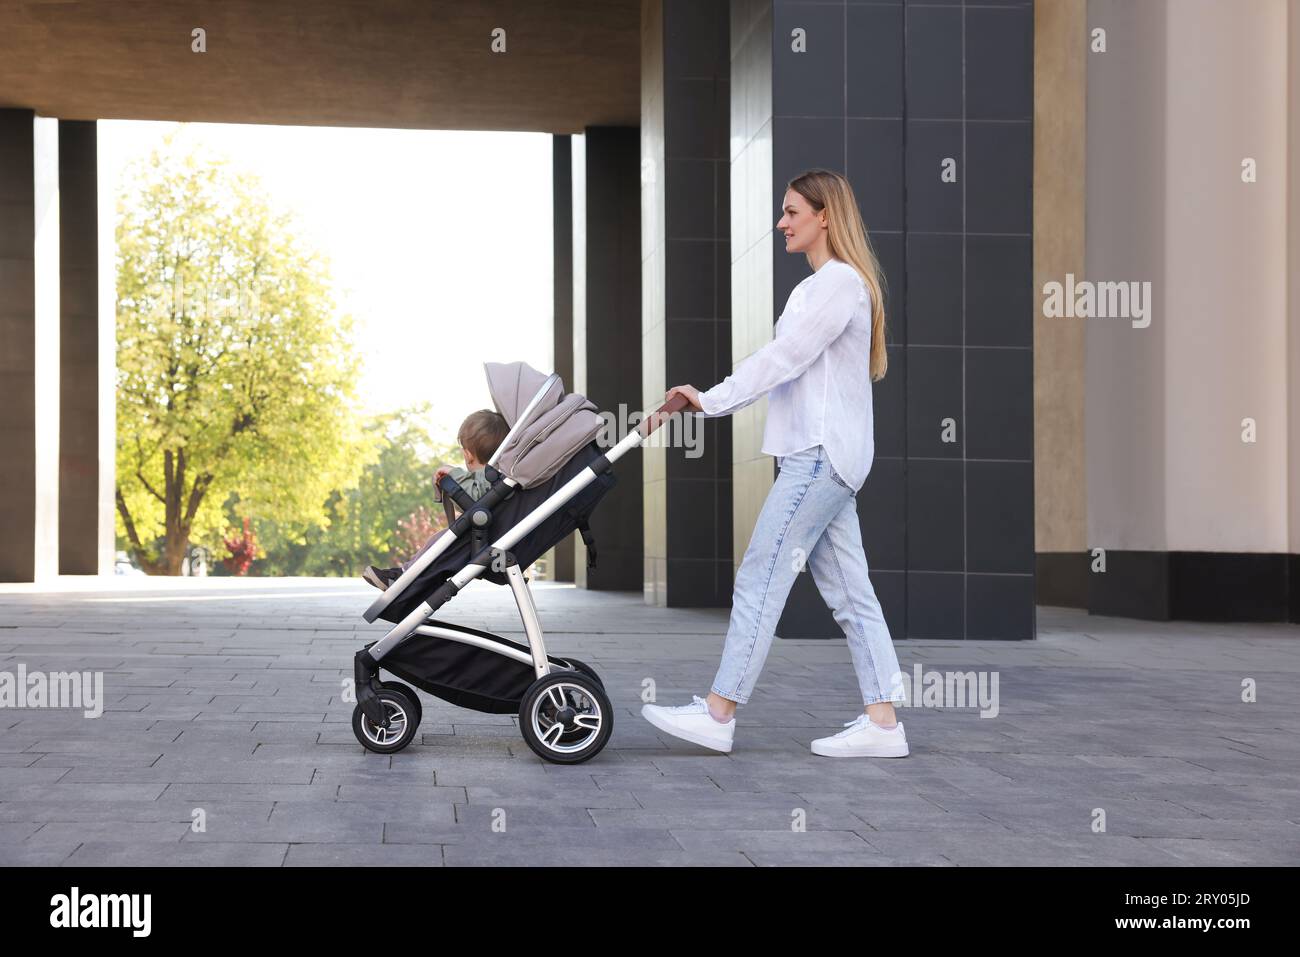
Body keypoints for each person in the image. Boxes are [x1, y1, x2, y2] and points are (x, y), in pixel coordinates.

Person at [641, 168, 908, 759]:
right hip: (821, 459)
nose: (781, 222)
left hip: (819, 459)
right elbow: (789, 362)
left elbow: (783, 359)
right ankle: (884, 724)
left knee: (762, 575)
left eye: (792, 212)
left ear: (825, 217)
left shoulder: (838, 284)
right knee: (852, 593)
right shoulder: (817, 287)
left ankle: (719, 711)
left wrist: (708, 400)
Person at [362, 409, 509, 590]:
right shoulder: (498, 476)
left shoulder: (489, 476)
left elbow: (476, 500)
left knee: (440, 542)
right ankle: (404, 574)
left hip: (483, 541)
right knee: (438, 539)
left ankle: (403, 577)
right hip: (488, 536)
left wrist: (453, 473)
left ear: (467, 454)